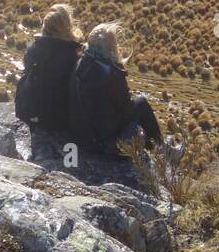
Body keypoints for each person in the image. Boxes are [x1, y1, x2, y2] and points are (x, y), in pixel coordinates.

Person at [68, 21, 163, 155]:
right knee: (141, 103)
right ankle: (160, 150)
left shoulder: (79, 64)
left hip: (82, 139)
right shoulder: (112, 74)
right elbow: (127, 110)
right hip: (106, 144)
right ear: (112, 47)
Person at [14, 3, 83, 133]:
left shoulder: (33, 49)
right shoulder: (71, 56)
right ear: (67, 27)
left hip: (32, 114)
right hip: (59, 121)